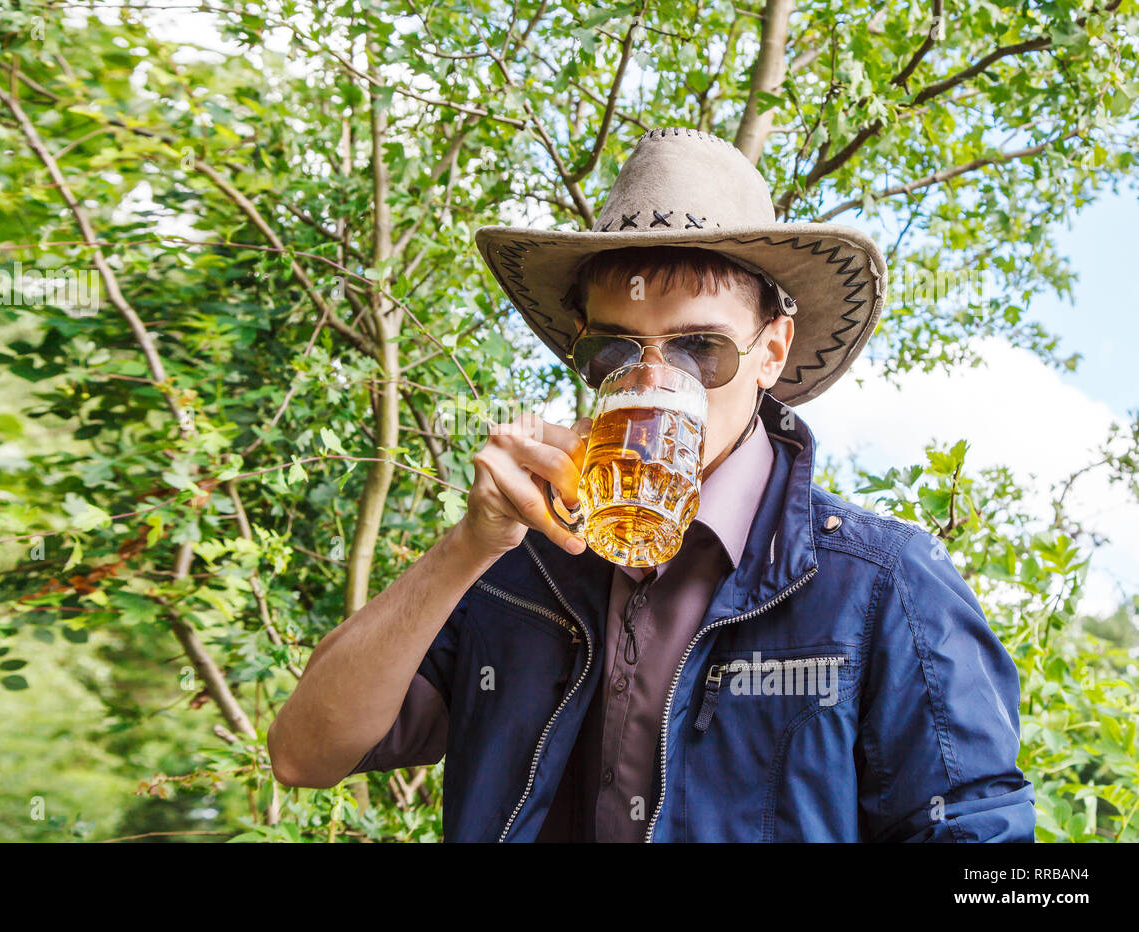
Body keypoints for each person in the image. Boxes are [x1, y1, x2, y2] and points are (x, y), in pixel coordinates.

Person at [267, 127, 1035, 842]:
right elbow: (304, 756)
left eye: (701, 348)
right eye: (616, 351)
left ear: (772, 352)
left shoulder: (883, 583)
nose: (656, 379)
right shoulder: (512, 565)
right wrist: (467, 547)